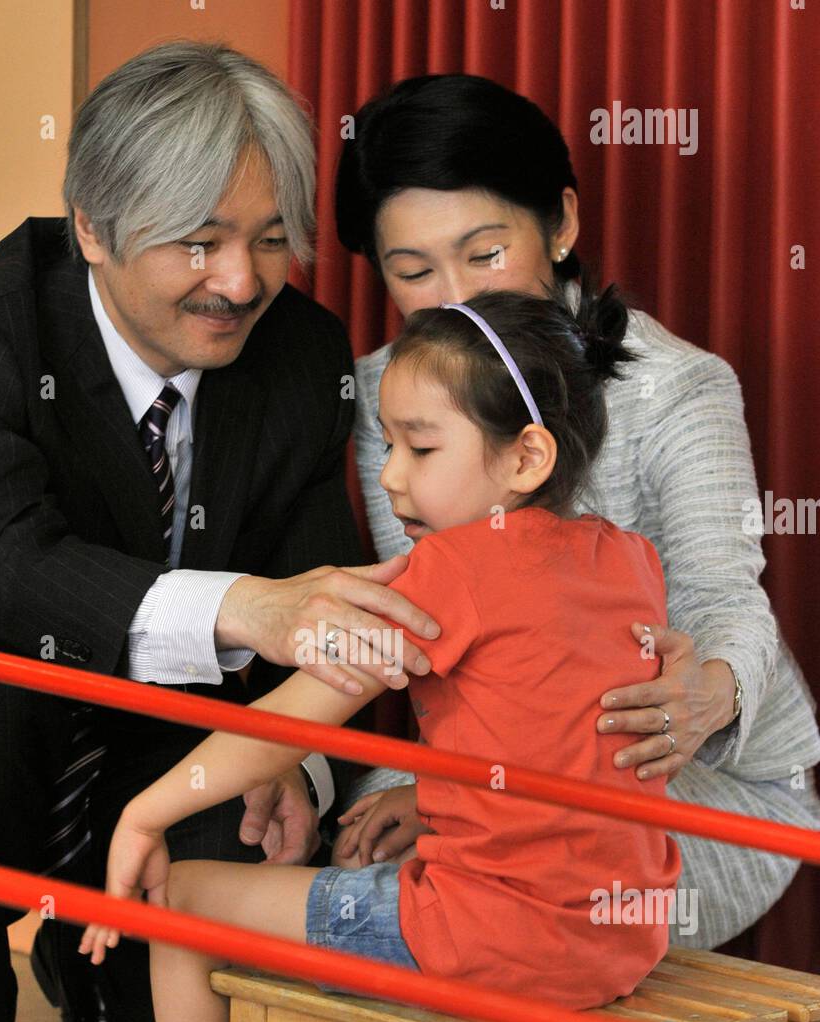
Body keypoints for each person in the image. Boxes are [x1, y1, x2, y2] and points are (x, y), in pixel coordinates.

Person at [0, 42, 440, 1022]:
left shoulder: (299, 350)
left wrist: (295, 748)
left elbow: (310, 571)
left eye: (270, 235)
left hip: (181, 713)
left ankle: (104, 994)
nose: (240, 280)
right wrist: (244, 608)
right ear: (92, 226)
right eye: (198, 240)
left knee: (227, 863)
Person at [77, 280, 682, 1022]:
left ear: (524, 455)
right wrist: (422, 793)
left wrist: (144, 813)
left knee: (177, 901)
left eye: (421, 447)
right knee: (320, 891)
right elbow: (550, 729)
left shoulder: (454, 569)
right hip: (619, 936)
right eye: (388, 444)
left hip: (490, 937)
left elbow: (285, 722)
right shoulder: (628, 559)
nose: (391, 478)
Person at [332, 75, 820, 951]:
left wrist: (708, 690)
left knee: (517, 910)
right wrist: (447, 790)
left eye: (483, 255)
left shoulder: (678, 386)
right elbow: (421, 615)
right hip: (487, 749)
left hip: (693, 775)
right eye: (413, 271)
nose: (453, 300)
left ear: (560, 223)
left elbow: (722, 596)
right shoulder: (386, 396)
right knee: (350, 870)